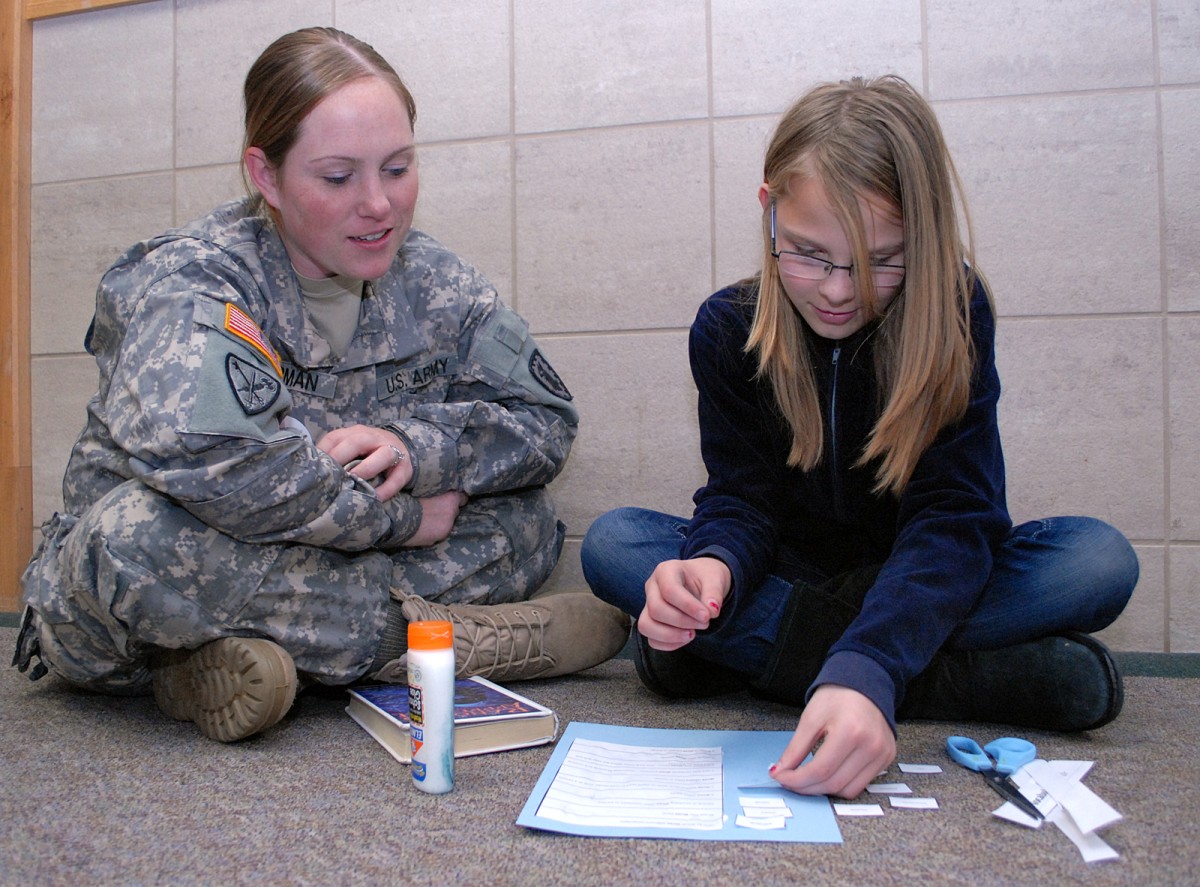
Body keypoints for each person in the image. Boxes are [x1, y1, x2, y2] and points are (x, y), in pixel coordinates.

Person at [13, 27, 628, 743]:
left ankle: (209, 664)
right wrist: (404, 519)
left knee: (526, 523)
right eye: (339, 178)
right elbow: (228, 470)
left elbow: (546, 420)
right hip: (163, 565)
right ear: (266, 175)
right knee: (136, 538)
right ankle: (432, 642)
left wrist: (416, 448)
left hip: (303, 559)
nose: (379, 205)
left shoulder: (436, 281)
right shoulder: (192, 278)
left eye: (397, 169)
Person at [580, 75, 1138, 800]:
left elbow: (955, 518)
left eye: (882, 259)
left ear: (925, 237)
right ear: (769, 211)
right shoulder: (727, 328)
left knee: (1096, 562)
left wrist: (866, 657)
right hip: (790, 570)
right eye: (810, 253)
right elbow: (742, 501)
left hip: (915, 573)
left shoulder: (955, 312)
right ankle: (944, 676)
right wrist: (713, 567)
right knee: (616, 545)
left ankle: (768, 661)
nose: (841, 290)